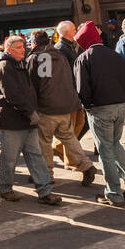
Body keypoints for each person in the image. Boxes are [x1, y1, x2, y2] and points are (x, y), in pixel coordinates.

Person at [74, 21, 125, 207]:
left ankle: (113, 192)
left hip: (99, 108)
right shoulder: (114, 55)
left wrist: (87, 105)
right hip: (119, 105)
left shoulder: (84, 58)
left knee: (105, 151)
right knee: (114, 144)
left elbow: (82, 89)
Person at [0, 36, 63, 206]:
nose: (23, 49)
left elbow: (28, 91)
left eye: (23, 46)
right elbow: (12, 96)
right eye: (18, 47)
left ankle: (44, 191)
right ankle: (6, 189)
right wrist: (31, 112)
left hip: (27, 120)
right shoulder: (5, 66)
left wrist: (33, 111)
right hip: (12, 121)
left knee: (36, 156)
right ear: (9, 50)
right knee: (9, 158)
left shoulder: (19, 63)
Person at [26, 31, 97, 185]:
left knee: (44, 142)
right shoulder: (61, 55)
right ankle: (86, 166)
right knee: (69, 137)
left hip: (46, 107)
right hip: (66, 105)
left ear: (34, 42)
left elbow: (31, 85)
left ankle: (47, 175)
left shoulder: (35, 57)